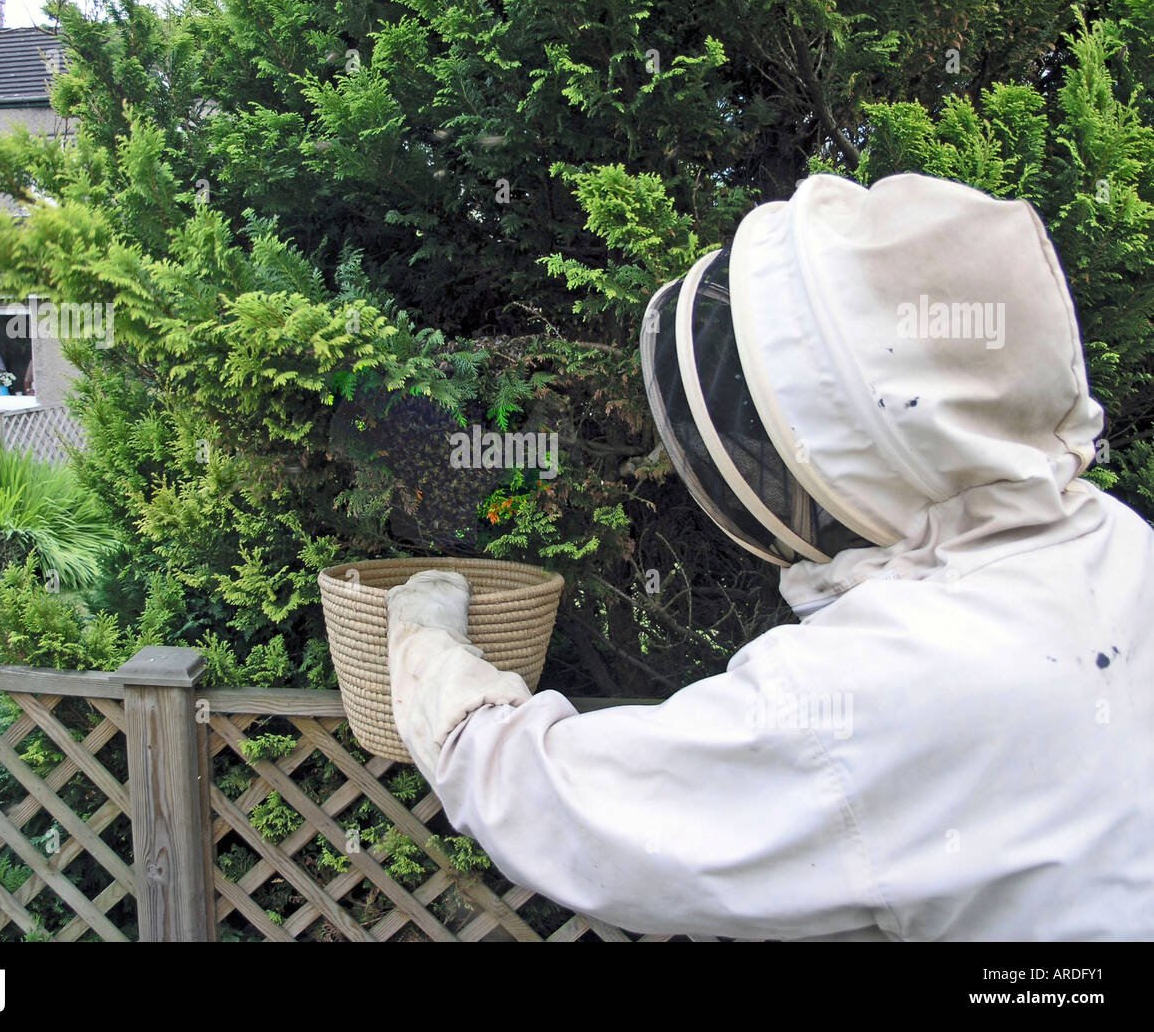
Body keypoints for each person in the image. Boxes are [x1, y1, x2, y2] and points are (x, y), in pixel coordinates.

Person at [383, 172, 1154, 941]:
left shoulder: (888, 678)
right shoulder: (1118, 542)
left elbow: (567, 809)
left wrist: (432, 662)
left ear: (866, 430)